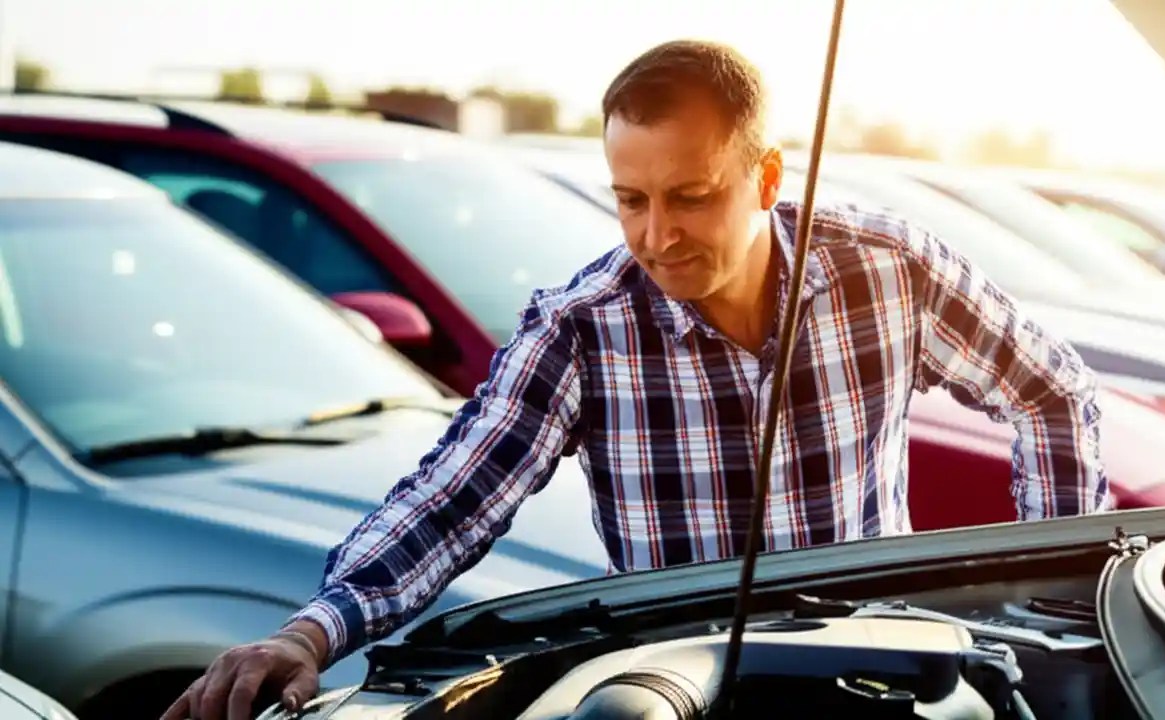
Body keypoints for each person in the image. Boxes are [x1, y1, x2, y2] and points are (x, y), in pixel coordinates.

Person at [161, 38, 1110, 720]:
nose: (657, 236)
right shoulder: (582, 330)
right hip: (680, 691)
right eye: (631, 200)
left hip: (881, 676)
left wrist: (1064, 604)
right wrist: (310, 635)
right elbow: (449, 504)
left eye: (691, 197)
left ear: (767, 176)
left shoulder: (886, 268)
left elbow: (1053, 393)